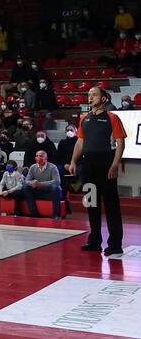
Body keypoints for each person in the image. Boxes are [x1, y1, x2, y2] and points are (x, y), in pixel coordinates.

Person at [67, 87, 125, 258]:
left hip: (106, 164)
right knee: (91, 203)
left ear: (104, 98)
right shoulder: (84, 118)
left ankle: (115, 244)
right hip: (89, 166)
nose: (90, 97)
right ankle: (94, 241)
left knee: (111, 205)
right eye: (89, 95)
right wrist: (73, 161)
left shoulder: (112, 117)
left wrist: (115, 165)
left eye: (94, 94)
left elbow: (120, 143)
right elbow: (80, 141)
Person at [22, 149, 64, 219]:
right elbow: (26, 180)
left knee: (55, 188)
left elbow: (57, 181)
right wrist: (32, 182)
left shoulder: (53, 167)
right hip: (39, 191)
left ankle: (56, 214)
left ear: (46, 158)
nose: (38, 158)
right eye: (37, 156)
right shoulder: (33, 167)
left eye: (41, 156)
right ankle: (33, 212)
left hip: (50, 193)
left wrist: (40, 184)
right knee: (26, 187)